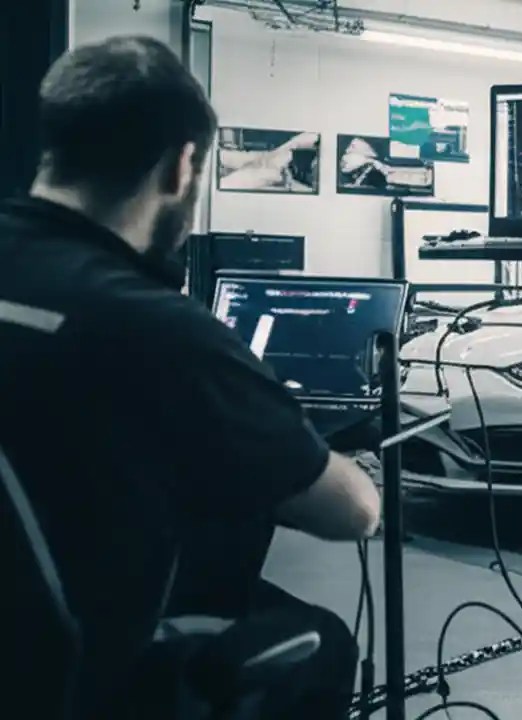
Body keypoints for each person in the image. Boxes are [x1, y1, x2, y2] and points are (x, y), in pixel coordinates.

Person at [0, 36, 380, 719]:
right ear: (180, 169)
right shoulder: (159, 329)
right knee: (320, 641)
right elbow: (349, 513)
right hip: (73, 666)